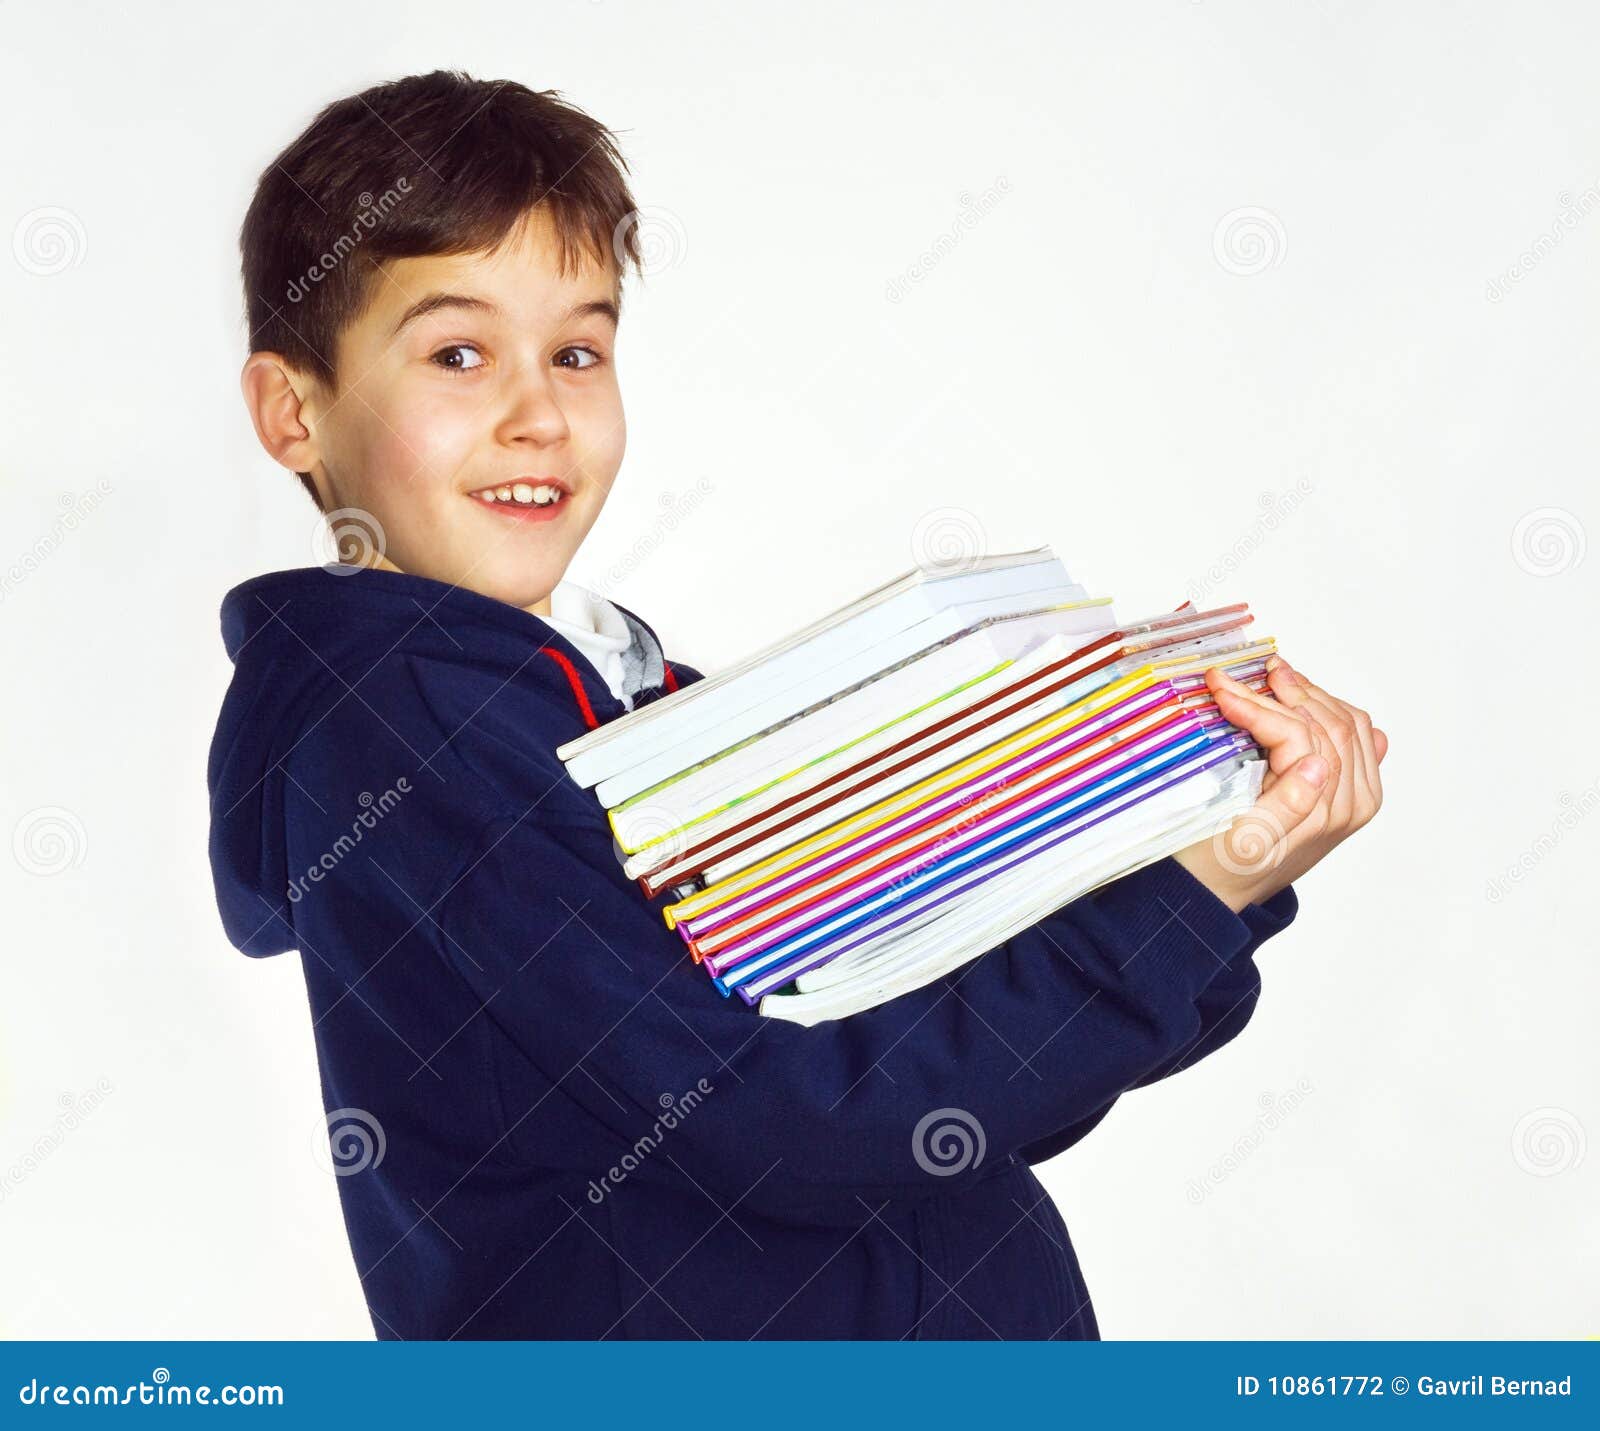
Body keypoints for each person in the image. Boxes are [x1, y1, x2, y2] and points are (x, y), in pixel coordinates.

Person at [209, 69, 1385, 1340]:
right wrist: (1193, 902)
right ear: (294, 410)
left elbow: (946, 1098)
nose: (537, 413)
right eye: (457, 354)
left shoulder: (614, 703)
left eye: (577, 351)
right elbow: (792, 1120)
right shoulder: (411, 739)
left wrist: (1206, 873)